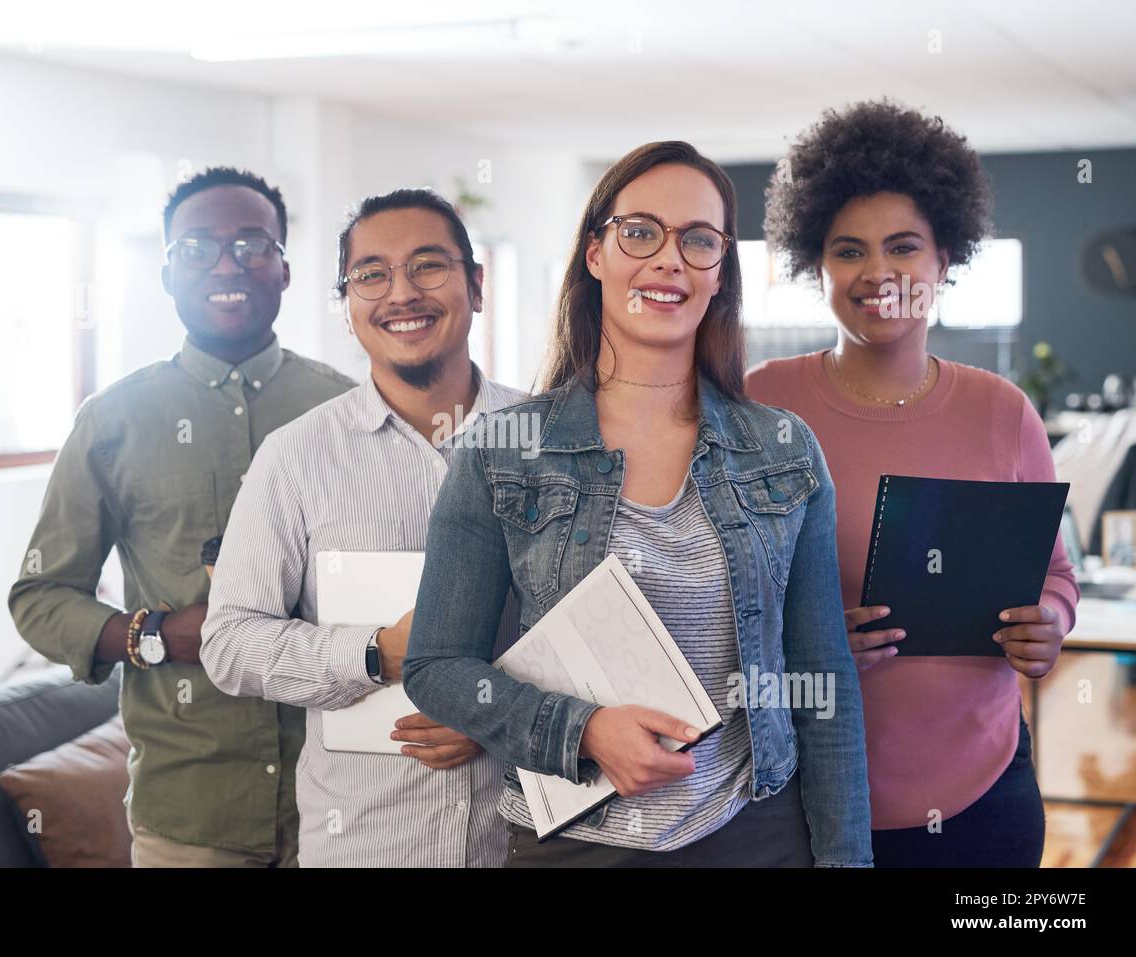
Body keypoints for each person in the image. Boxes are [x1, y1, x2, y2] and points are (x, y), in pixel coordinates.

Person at [402, 142, 872, 867]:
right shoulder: (503, 449)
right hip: (574, 842)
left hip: (754, 833)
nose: (669, 260)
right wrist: (581, 729)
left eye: (699, 240)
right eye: (640, 232)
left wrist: (846, 859)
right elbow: (435, 664)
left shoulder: (782, 447)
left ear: (720, 271)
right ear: (596, 252)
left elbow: (824, 676)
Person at [747, 99, 1079, 867]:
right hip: (810, 799)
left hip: (986, 795)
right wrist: (812, 649)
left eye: (903, 247)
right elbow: (708, 589)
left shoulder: (1004, 412)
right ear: (815, 263)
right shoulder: (763, 403)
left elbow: (1055, 573)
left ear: (945, 259)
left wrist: (1050, 623)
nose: (878, 274)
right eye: (848, 250)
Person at [9, 167, 354, 867]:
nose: (227, 264)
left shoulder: (346, 409)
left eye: (252, 244)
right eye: (197, 247)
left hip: (346, 805)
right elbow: (40, 597)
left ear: (284, 268)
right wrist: (154, 635)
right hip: (191, 817)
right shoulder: (113, 420)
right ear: (167, 274)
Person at [201, 188, 525, 867]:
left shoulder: (550, 441)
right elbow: (229, 642)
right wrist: (376, 652)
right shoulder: (295, 457)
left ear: (477, 283)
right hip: (368, 846)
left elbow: (602, 626)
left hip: (527, 843)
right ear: (348, 307)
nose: (400, 292)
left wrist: (499, 712)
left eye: (428, 266)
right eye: (372, 275)